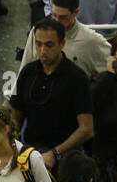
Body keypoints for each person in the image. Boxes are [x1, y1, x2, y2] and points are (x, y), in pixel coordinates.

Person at [10, 16, 94, 168]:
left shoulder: (77, 78)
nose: (42, 51)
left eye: (49, 45)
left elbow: (87, 129)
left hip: (67, 158)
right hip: (30, 153)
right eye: (38, 44)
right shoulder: (27, 73)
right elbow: (16, 116)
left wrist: (56, 153)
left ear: (62, 44)